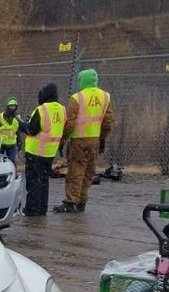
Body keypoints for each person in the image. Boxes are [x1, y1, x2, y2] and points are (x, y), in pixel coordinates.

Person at [55, 68, 114, 213]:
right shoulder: (106, 97)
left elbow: (69, 123)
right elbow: (108, 122)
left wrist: (62, 139)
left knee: (75, 171)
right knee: (89, 171)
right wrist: (103, 139)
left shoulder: (77, 98)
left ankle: (71, 201)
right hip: (94, 140)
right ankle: (82, 200)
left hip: (78, 140)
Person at [22, 84, 66, 217]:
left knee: (33, 181)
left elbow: (32, 130)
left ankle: (32, 209)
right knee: (44, 181)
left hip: (36, 151)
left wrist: (22, 125)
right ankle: (42, 208)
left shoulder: (41, 110)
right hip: (50, 152)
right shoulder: (62, 109)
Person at [0, 97, 23, 163]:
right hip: (0, 144)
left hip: (11, 144)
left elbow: (18, 131)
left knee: (12, 162)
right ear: (7, 106)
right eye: (11, 106)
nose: (12, 108)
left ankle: (12, 172)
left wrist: (19, 142)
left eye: (14, 106)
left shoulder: (17, 118)